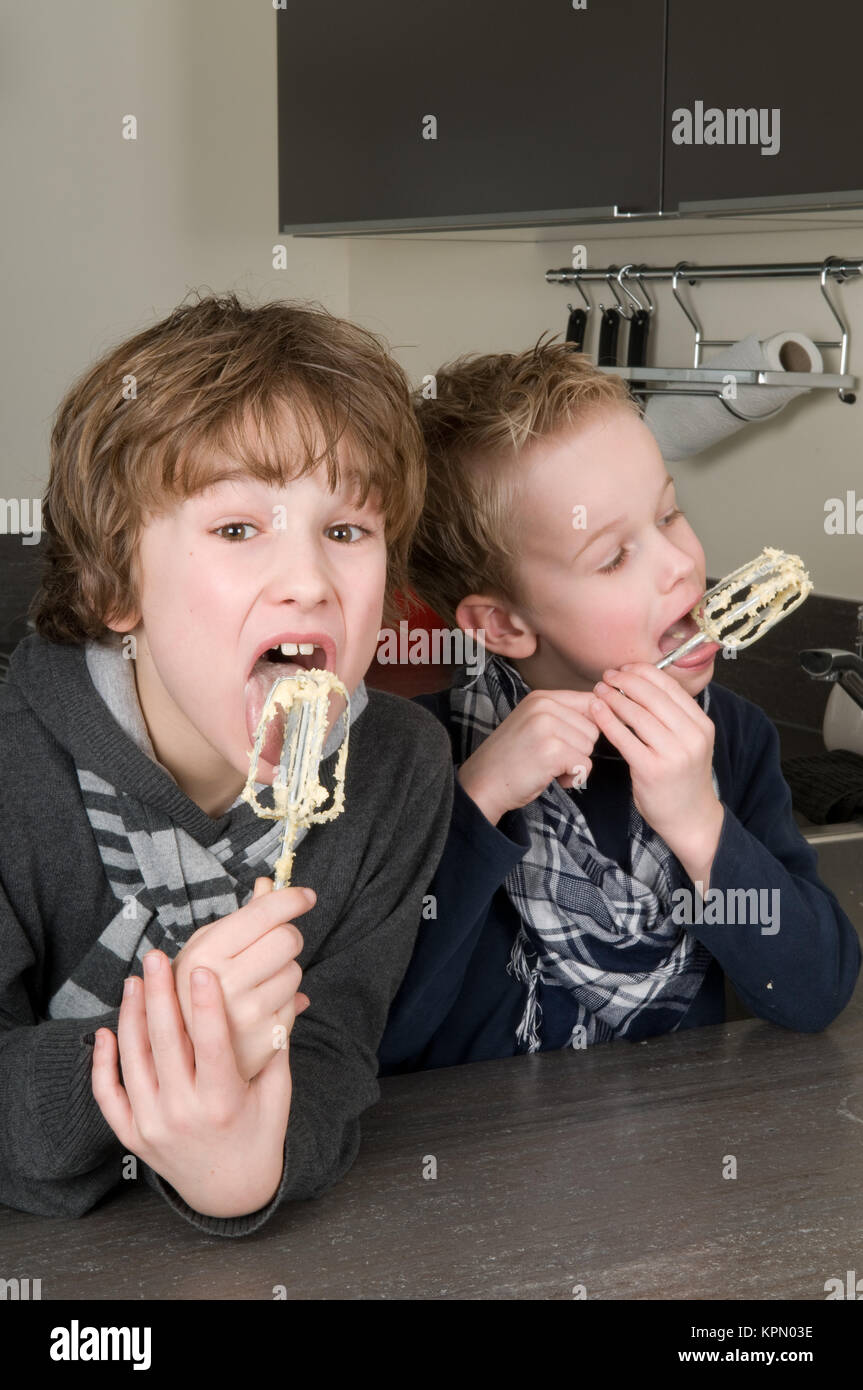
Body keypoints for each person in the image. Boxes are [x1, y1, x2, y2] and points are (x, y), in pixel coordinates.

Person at [0, 291, 452, 1233]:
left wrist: (247, 1173)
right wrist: (163, 1046)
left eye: (346, 530)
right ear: (115, 585)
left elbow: (331, 1049)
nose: (308, 582)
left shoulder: (399, 768)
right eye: (238, 529)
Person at [378, 339, 860, 1072]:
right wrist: (475, 804)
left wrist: (698, 823)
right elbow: (376, 1041)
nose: (680, 565)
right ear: (503, 625)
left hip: (679, 1165)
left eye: (668, 515)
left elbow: (811, 992)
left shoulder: (729, 738)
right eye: (611, 557)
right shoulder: (414, 759)